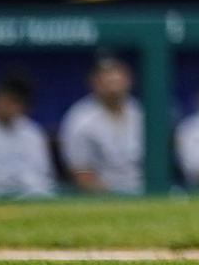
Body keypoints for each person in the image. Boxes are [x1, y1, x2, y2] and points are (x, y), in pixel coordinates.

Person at [60, 54, 144, 194]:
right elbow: (81, 173)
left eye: (117, 77)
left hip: (145, 192)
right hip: (103, 195)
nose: (113, 83)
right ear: (94, 82)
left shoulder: (140, 112)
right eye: (106, 78)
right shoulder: (80, 118)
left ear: (129, 80)